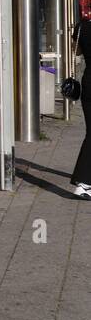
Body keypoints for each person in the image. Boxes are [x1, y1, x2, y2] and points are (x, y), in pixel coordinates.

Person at [70, 19, 91, 198]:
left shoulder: (83, 26)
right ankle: (83, 183)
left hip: (88, 84)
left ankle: (84, 180)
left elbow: (75, 50)